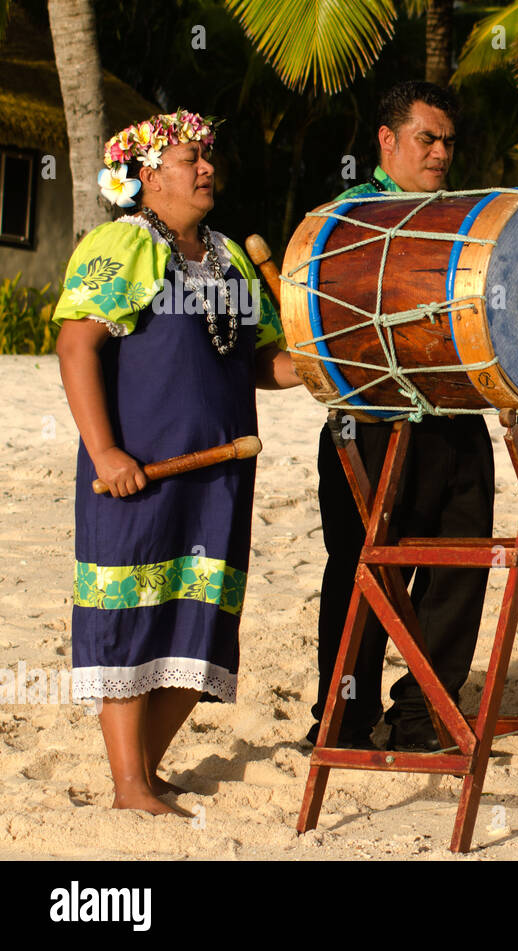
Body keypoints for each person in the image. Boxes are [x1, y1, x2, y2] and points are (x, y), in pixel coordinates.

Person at [54, 110, 299, 816]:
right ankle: (128, 784)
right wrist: (104, 449)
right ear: (148, 175)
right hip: (137, 472)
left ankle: (144, 775)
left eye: (208, 156)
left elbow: (248, 360)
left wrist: (308, 369)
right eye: (192, 157)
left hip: (218, 474)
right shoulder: (123, 243)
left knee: (199, 627)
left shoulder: (225, 252)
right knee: (132, 621)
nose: (206, 167)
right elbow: (77, 347)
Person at [308, 81, 495, 752]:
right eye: (427, 139)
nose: (442, 152)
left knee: (460, 564)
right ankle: (342, 719)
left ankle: (423, 716)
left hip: (457, 412)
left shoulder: (464, 218)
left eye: (448, 140)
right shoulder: (344, 221)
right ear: (387, 142)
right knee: (363, 569)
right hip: (371, 419)